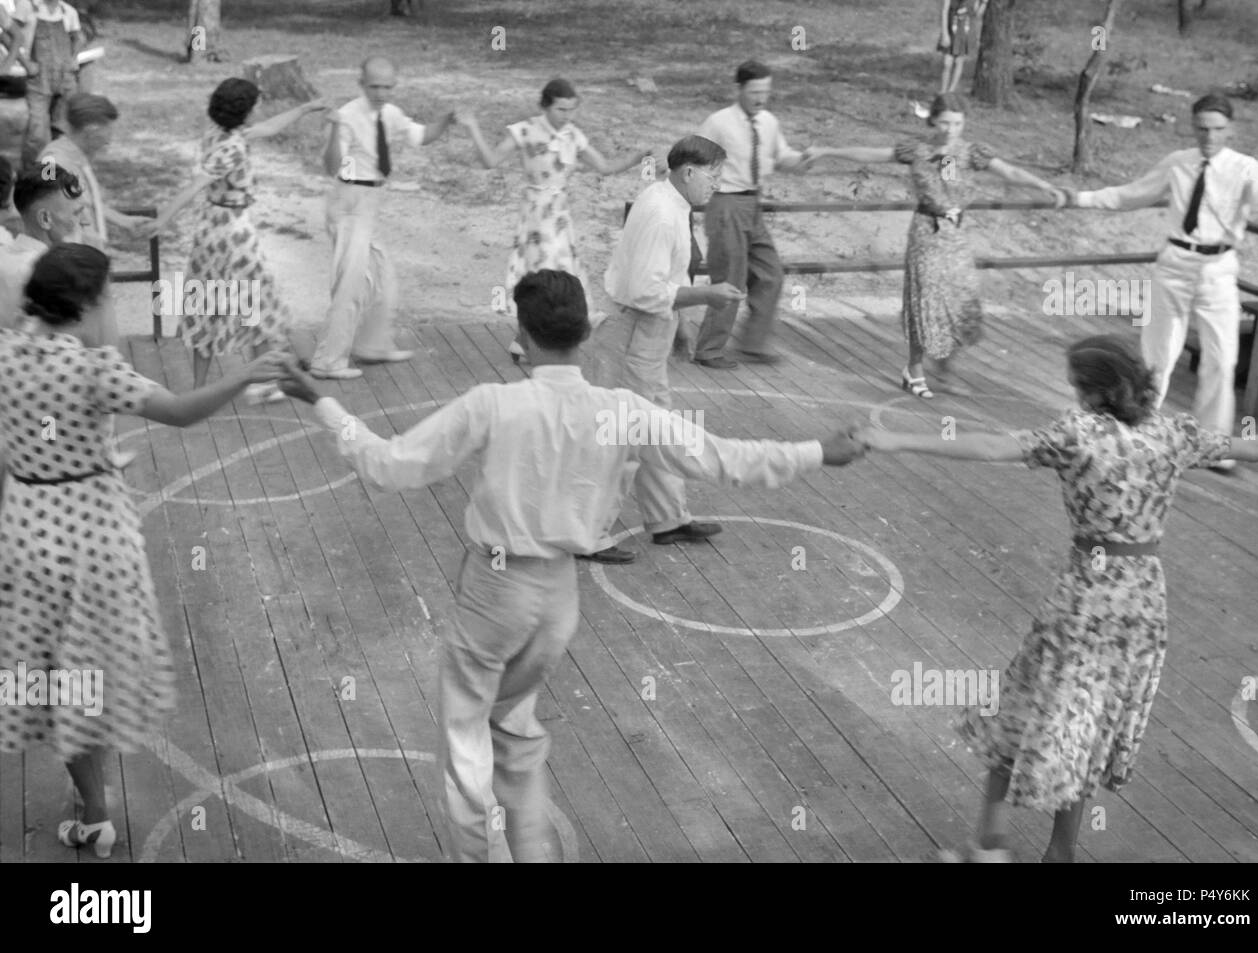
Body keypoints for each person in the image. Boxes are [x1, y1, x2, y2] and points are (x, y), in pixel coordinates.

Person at [273, 268, 866, 862]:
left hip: (494, 591)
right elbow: (724, 459)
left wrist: (322, 401)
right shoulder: (621, 409)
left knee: (466, 745)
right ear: (586, 333)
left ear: (523, 335)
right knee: (517, 737)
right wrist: (819, 451)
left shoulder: (496, 404)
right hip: (558, 597)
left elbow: (388, 466)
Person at [856, 334, 1258, 862]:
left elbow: (995, 447)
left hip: (1085, 598)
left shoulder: (1078, 434)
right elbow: (1248, 447)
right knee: (1090, 729)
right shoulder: (1171, 433)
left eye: (1074, 385)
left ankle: (989, 846)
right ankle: (1055, 853)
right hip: (1143, 604)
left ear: (1093, 391)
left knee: (1023, 704)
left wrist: (899, 440)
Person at [0, 243, 291, 858]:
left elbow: (22, 439)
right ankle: (98, 810)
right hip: (91, 538)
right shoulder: (93, 369)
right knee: (93, 669)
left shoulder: (4, 353)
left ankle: (92, 806)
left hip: (28, 534)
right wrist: (246, 372)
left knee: (59, 677)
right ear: (84, 306)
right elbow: (181, 413)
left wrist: (73, 459)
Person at [1065, 94, 1258, 473]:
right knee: (1157, 354)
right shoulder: (1177, 164)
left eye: (1218, 129)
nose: (1210, 136)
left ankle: (1213, 446)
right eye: (1203, 128)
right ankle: (1139, 432)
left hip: (1218, 268)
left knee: (1222, 360)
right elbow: (1131, 195)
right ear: (1193, 127)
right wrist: (1079, 197)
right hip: (1174, 263)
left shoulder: (1246, 169)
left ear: (1231, 129)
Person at [804, 92, 1065, 398]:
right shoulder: (917, 150)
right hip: (926, 232)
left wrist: (1046, 186)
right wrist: (828, 151)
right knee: (925, 301)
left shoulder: (971, 153)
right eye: (944, 123)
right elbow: (872, 154)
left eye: (957, 123)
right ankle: (914, 368)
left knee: (957, 301)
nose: (950, 130)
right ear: (932, 120)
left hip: (955, 236)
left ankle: (944, 369)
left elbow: (1010, 172)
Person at [587, 134, 746, 564]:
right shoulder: (661, 212)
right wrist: (706, 297)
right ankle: (586, 532)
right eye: (713, 176)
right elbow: (644, 289)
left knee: (656, 430)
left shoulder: (669, 201)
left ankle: (667, 518)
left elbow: (664, 278)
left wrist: (678, 326)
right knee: (621, 435)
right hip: (632, 333)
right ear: (688, 172)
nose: (717, 185)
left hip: (650, 329)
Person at [456, 78, 658, 371]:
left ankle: (530, 339)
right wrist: (473, 127)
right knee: (539, 276)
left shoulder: (573, 135)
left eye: (572, 110)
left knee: (558, 275)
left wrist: (637, 157)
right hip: (536, 216)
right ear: (545, 106)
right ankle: (540, 336)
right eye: (561, 109)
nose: (567, 116)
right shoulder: (525, 130)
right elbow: (490, 160)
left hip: (560, 217)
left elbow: (604, 166)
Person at [144, 78, 326, 402]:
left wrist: (306, 108)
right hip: (232, 235)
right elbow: (195, 186)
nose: (260, 107)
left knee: (219, 306)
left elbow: (269, 128)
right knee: (253, 302)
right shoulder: (233, 146)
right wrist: (163, 219)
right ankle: (270, 377)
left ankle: (219, 387)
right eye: (256, 103)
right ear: (244, 111)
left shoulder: (221, 132)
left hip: (211, 231)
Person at [309, 55, 456, 380]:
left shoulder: (391, 114)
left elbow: (421, 135)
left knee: (383, 279)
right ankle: (328, 361)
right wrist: (334, 130)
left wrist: (446, 120)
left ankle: (372, 346)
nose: (380, 92)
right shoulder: (347, 117)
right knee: (350, 283)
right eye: (374, 86)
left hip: (370, 202)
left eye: (387, 86)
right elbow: (333, 166)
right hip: (348, 202)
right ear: (362, 84)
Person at [693, 60, 811, 369]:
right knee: (729, 279)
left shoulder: (769, 121)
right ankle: (709, 349)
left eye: (766, 92)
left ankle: (753, 344)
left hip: (753, 204)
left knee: (771, 273)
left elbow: (781, 156)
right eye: (755, 91)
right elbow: (693, 159)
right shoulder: (718, 122)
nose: (761, 98)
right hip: (726, 203)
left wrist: (805, 159)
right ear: (739, 89)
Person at [38, 91, 153, 248]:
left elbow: (82, 200)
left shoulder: (77, 156)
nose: (110, 138)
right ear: (92, 130)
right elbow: (46, 204)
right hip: (70, 255)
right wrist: (81, 236)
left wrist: (121, 220)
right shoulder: (51, 161)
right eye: (108, 129)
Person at [0, 164, 87, 327]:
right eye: (76, 213)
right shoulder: (52, 276)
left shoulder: (3, 255)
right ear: (45, 219)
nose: (84, 221)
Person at [10, 0, 84, 167]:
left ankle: (59, 176)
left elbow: (79, 37)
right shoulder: (27, 6)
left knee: (63, 130)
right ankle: (36, 181)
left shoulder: (68, 12)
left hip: (65, 80)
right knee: (37, 136)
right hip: (38, 81)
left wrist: (73, 59)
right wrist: (25, 63)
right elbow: (8, 35)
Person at [937, 0, 987, 94]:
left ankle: (951, 91)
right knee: (947, 63)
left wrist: (984, 3)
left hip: (964, 33)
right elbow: (944, 12)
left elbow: (977, 14)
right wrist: (945, 34)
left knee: (958, 62)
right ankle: (943, 91)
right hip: (951, 31)